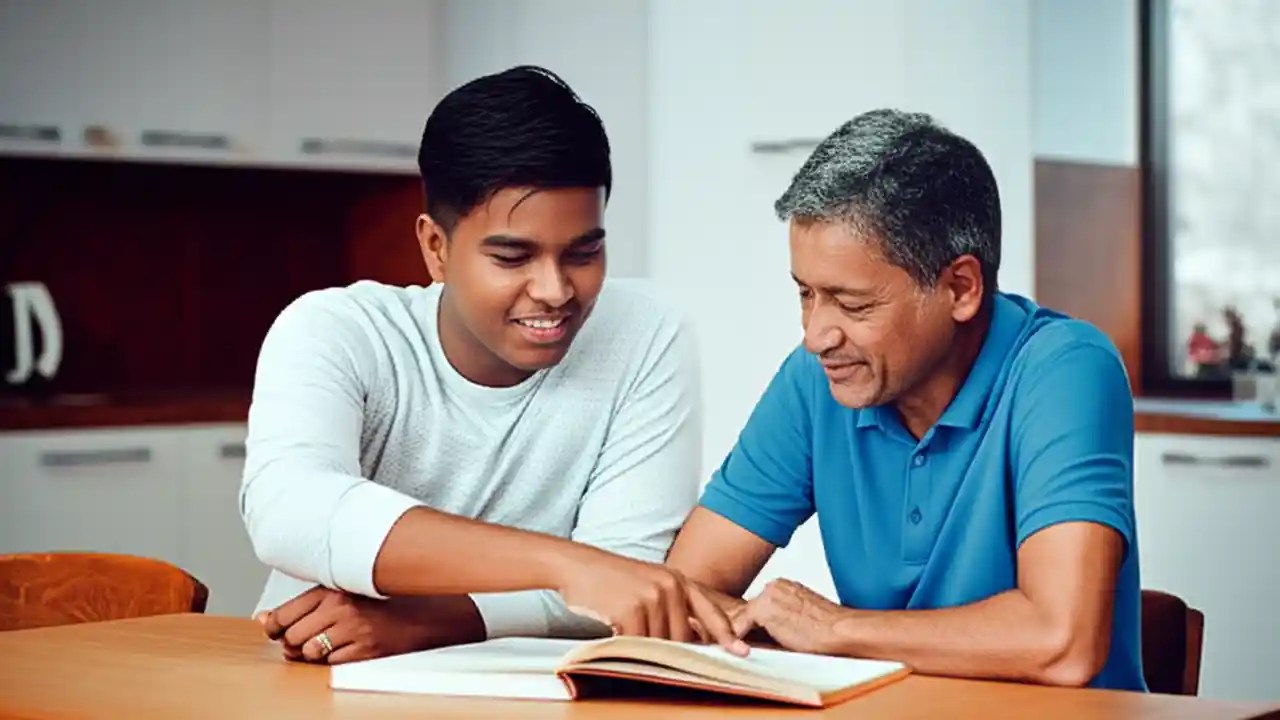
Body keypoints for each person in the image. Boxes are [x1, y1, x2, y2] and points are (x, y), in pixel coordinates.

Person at [240, 65, 744, 665]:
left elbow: (625, 584)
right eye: (513, 257)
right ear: (436, 248)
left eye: (584, 252)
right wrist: (567, 564)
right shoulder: (337, 329)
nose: (556, 290)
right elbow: (290, 509)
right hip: (316, 680)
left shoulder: (646, 333)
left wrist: (429, 620)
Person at [666, 109, 1146, 690]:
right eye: (806, 294)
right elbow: (682, 591)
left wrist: (837, 630)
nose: (817, 334)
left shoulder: (1065, 370)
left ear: (961, 288)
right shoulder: (816, 378)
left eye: (854, 304)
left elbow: (1062, 642)